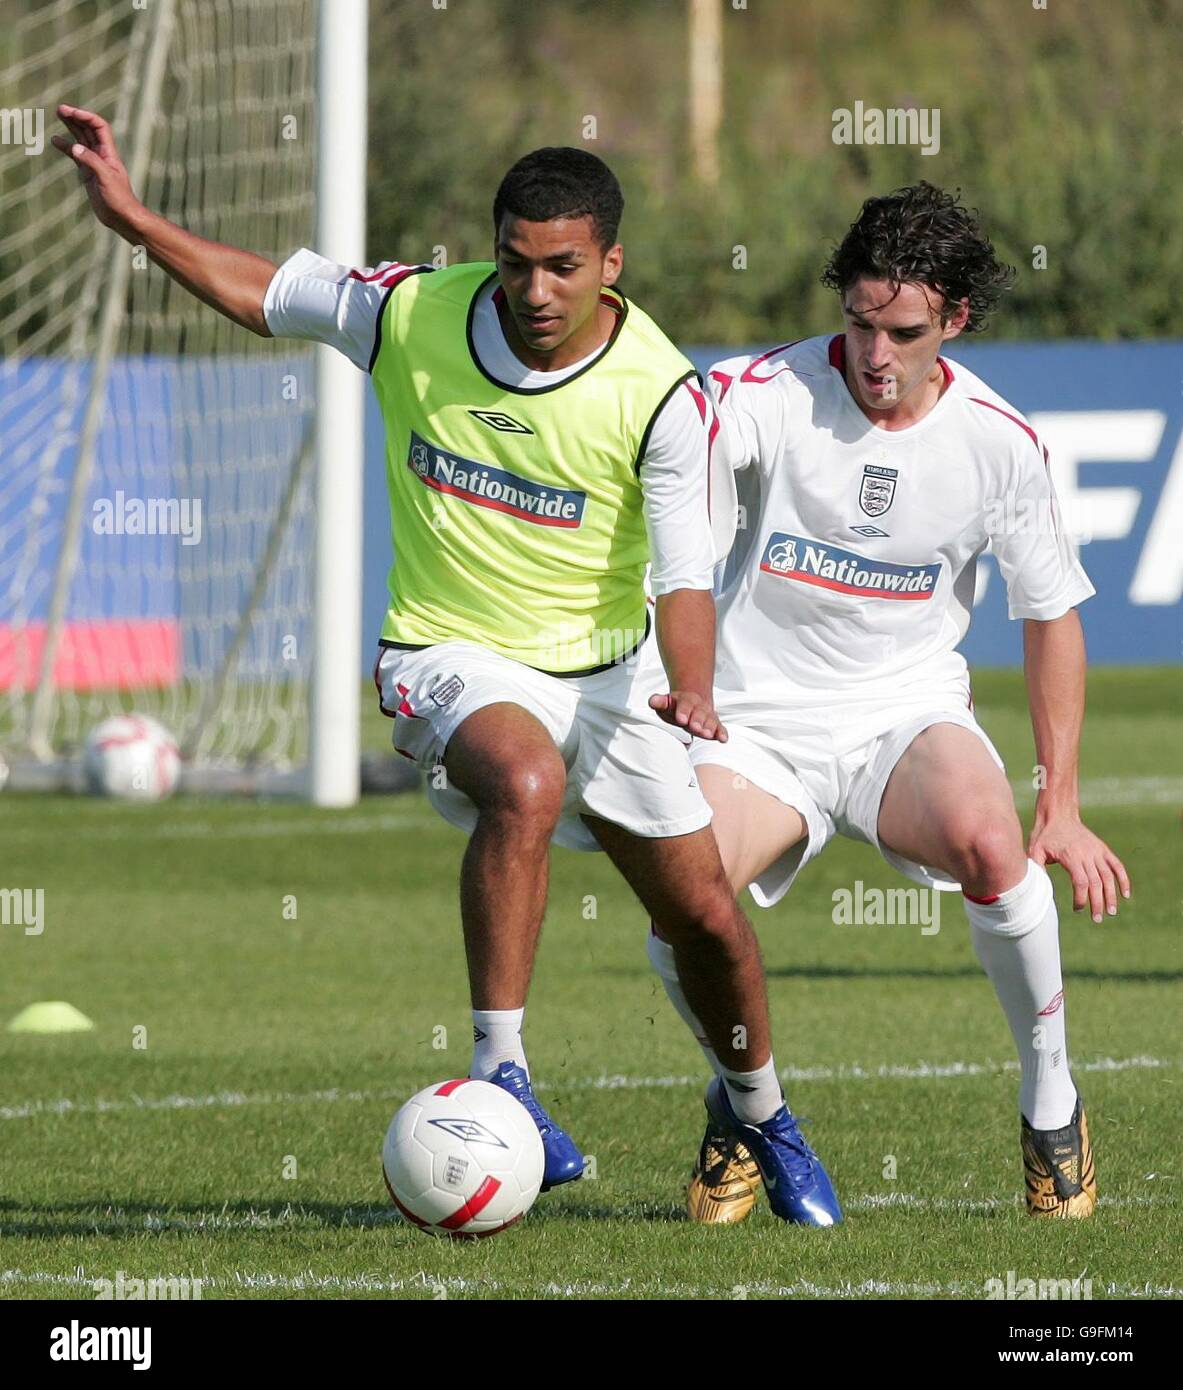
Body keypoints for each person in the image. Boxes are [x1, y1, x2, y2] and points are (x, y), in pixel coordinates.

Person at [52, 105, 835, 1218]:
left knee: (705, 916)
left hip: (608, 676)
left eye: (563, 266)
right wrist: (131, 218)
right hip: (446, 652)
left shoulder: (662, 391)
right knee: (521, 781)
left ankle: (763, 1116)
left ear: (612, 263)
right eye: (516, 262)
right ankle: (501, 1069)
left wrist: (692, 687)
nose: (535, 289)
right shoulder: (410, 308)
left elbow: (684, 573)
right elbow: (261, 290)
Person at [653, 182, 1129, 1223]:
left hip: (900, 715)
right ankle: (745, 1104)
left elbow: (1050, 614)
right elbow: (668, 484)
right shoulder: (761, 396)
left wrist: (1062, 801)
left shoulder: (998, 441)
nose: (875, 354)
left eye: (903, 332)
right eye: (859, 324)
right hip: (754, 724)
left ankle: (1051, 1103)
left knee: (992, 843)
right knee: (679, 897)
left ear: (952, 320)